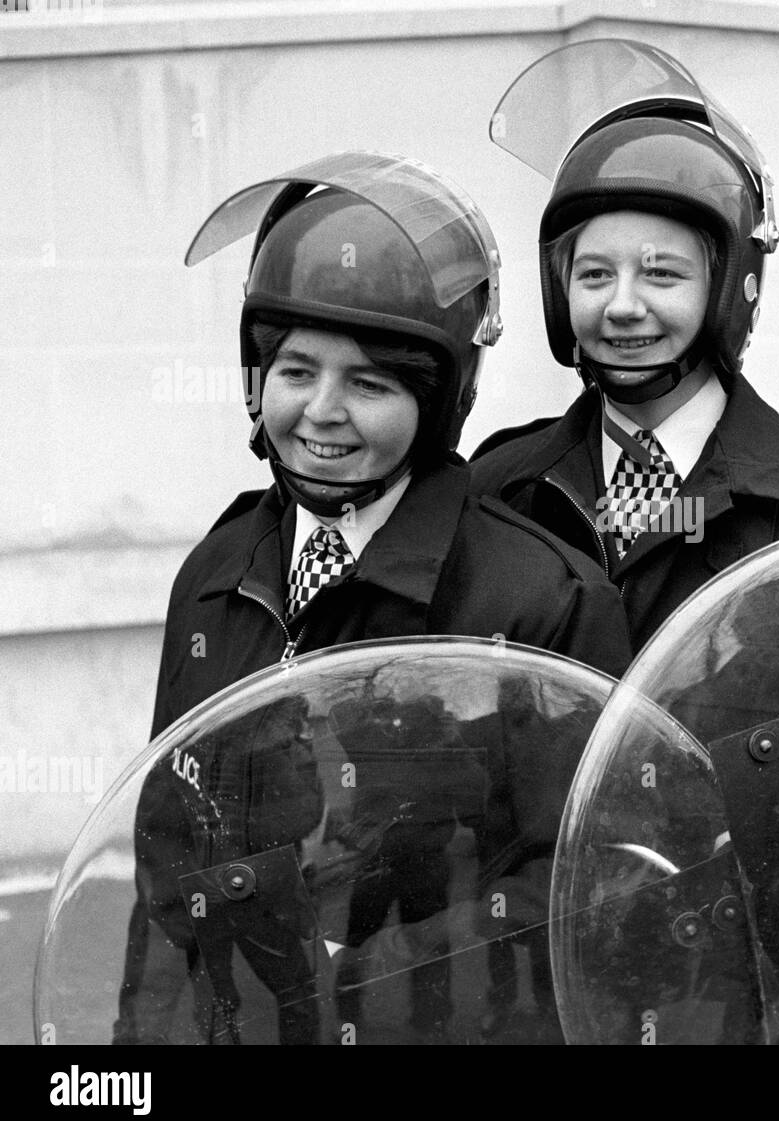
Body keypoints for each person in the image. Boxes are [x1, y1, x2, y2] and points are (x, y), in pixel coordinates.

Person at [116, 153, 632, 1045]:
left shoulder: (541, 599)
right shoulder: (214, 574)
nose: (322, 411)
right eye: (296, 371)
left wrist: (390, 963)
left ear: (438, 401)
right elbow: (168, 869)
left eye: (370, 383)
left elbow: (595, 883)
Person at [471, 40, 779, 653]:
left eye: (661, 274)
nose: (623, 305)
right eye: (595, 274)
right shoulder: (494, 494)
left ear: (730, 291)